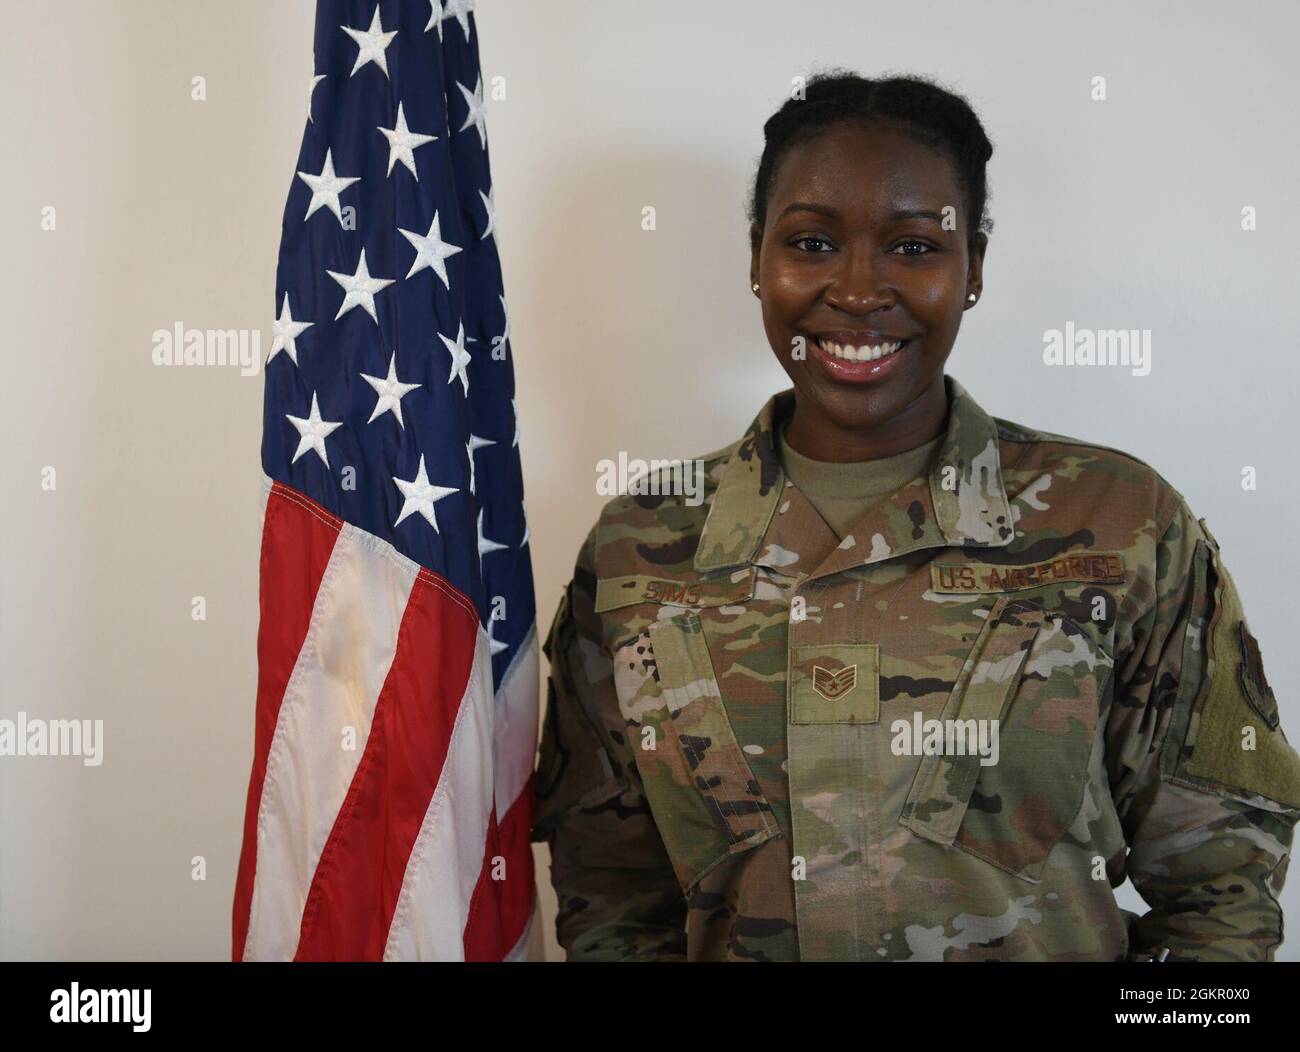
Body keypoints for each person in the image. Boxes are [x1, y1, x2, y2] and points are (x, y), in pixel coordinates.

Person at [529, 71, 1300, 961]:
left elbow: (1221, 897)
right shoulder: (644, 545)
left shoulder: (1122, 524)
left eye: (914, 247)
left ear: (974, 266)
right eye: (812, 243)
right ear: (755, 260)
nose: (859, 291)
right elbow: (611, 895)